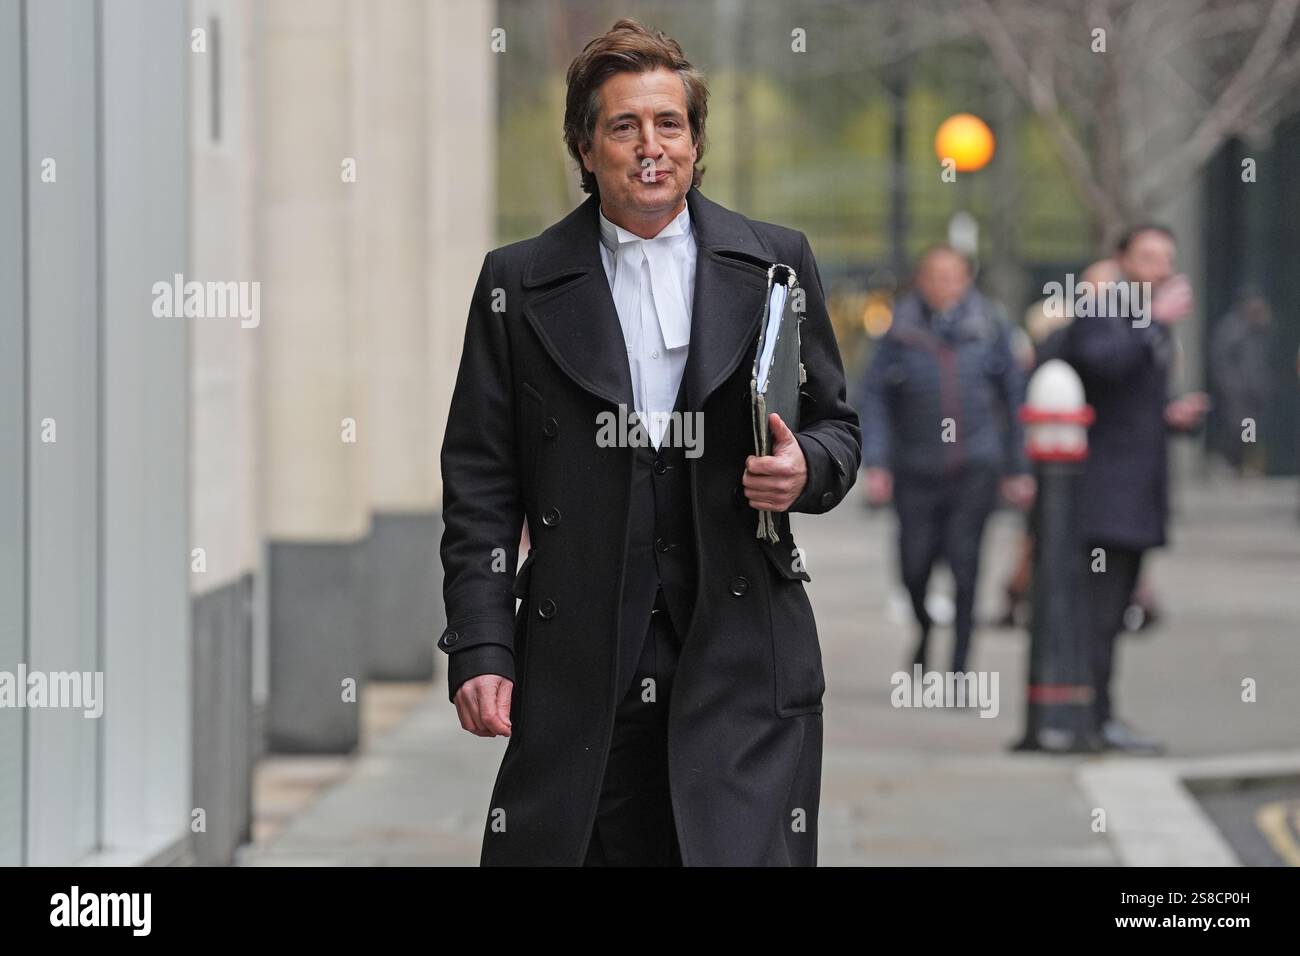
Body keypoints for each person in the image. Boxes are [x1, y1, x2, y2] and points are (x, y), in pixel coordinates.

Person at [437, 18, 860, 866]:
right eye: (623, 126)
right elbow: (481, 479)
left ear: (697, 143)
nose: (650, 146)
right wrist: (482, 645)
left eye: (669, 124)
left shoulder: (777, 263)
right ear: (584, 149)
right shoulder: (515, 283)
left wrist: (803, 467)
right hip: (580, 651)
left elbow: (837, 427)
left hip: (741, 647)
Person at [1060, 223, 1208, 753]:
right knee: (1097, 615)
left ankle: (1098, 716)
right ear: (1122, 259)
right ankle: (1090, 720)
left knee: (1114, 614)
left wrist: (1171, 416)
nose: (1160, 269)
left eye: (1166, 259)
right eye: (1148, 258)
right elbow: (1098, 366)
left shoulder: (1141, 320)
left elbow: (1125, 402)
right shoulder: (1106, 310)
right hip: (1105, 496)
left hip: (1137, 494)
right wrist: (1153, 322)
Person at [857, 246, 1033, 677]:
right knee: (914, 566)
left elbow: (1014, 400)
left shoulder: (990, 327)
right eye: (935, 275)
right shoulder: (897, 331)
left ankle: (959, 666)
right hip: (914, 469)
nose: (944, 284)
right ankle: (924, 628)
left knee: (966, 566)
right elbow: (873, 399)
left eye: (953, 276)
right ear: (921, 279)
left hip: (974, 467)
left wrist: (1017, 469)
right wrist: (876, 463)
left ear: (966, 280)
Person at [1208, 290, 1274, 475]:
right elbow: (1221, 360)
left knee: (1249, 428)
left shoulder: (1257, 330)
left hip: (1253, 393)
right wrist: (1232, 385)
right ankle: (1227, 460)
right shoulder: (1232, 328)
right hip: (1237, 393)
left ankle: (1243, 463)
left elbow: (1259, 361)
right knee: (1237, 427)